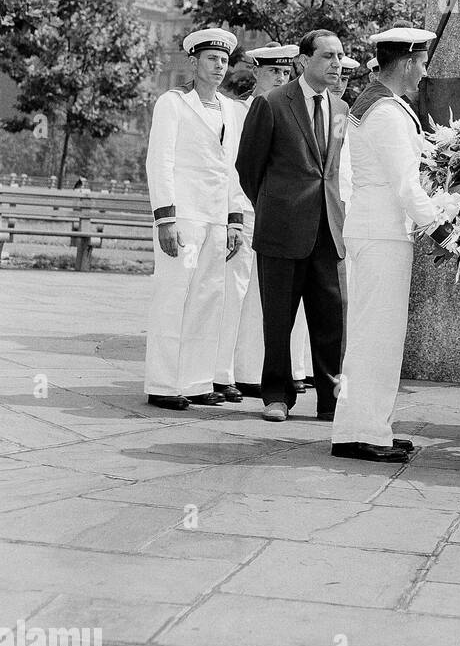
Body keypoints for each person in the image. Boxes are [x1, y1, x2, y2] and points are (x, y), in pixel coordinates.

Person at [331, 27, 447, 464]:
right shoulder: (386, 112)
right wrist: (445, 232)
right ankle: (360, 432)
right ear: (405, 61)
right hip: (381, 233)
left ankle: (367, 425)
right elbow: (406, 186)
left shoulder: (380, 104)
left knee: (373, 334)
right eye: (421, 62)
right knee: (375, 336)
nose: (424, 71)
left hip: (378, 231)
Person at [236, 30, 349, 424]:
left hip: (328, 231)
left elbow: (331, 171)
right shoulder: (271, 103)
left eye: (340, 56)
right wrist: (274, 206)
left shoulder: (340, 107)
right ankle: (277, 396)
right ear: (303, 60)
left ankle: (332, 401)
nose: (336, 63)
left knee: (332, 318)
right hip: (281, 231)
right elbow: (247, 168)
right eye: (327, 56)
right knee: (278, 319)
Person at [144, 29, 246, 411]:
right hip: (183, 215)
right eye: (211, 59)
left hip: (217, 217)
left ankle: (197, 380)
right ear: (194, 61)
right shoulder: (173, 103)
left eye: (223, 61)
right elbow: (161, 160)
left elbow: (232, 168)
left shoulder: (230, 110)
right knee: (173, 298)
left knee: (208, 299)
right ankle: (163, 383)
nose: (219, 67)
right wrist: (164, 219)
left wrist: (234, 219)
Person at [224, 45, 313, 401]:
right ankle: (226, 372)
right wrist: (236, 213)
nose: (279, 78)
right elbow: (235, 167)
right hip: (243, 213)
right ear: (256, 72)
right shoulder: (238, 111)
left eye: (285, 73)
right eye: (272, 72)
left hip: (273, 217)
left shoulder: (287, 110)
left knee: (263, 301)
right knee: (235, 296)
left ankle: (252, 371)